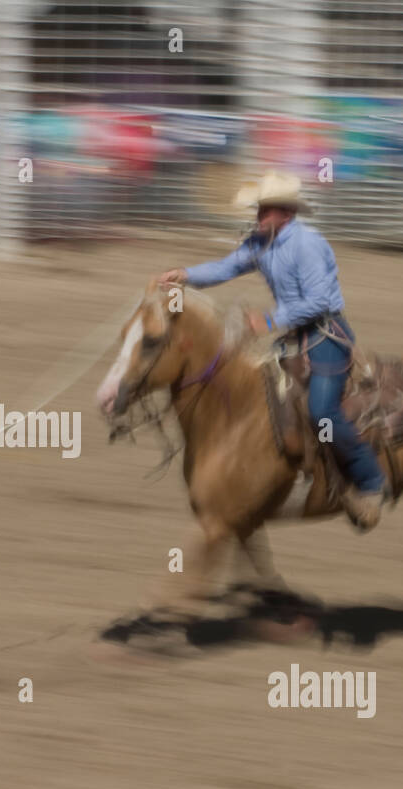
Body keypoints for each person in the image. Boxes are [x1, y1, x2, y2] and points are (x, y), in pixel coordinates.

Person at [157, 170, 387, 530]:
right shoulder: (260, 243)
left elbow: (319, 301)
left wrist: (269, 321)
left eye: (266, 210)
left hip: (327, 335)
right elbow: (227, 266)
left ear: (286, 212)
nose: (258, 216)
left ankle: (371, 481)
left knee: (321, 411)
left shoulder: (306, 245)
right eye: (258, 209)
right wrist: (186, 274)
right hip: (295, 335)